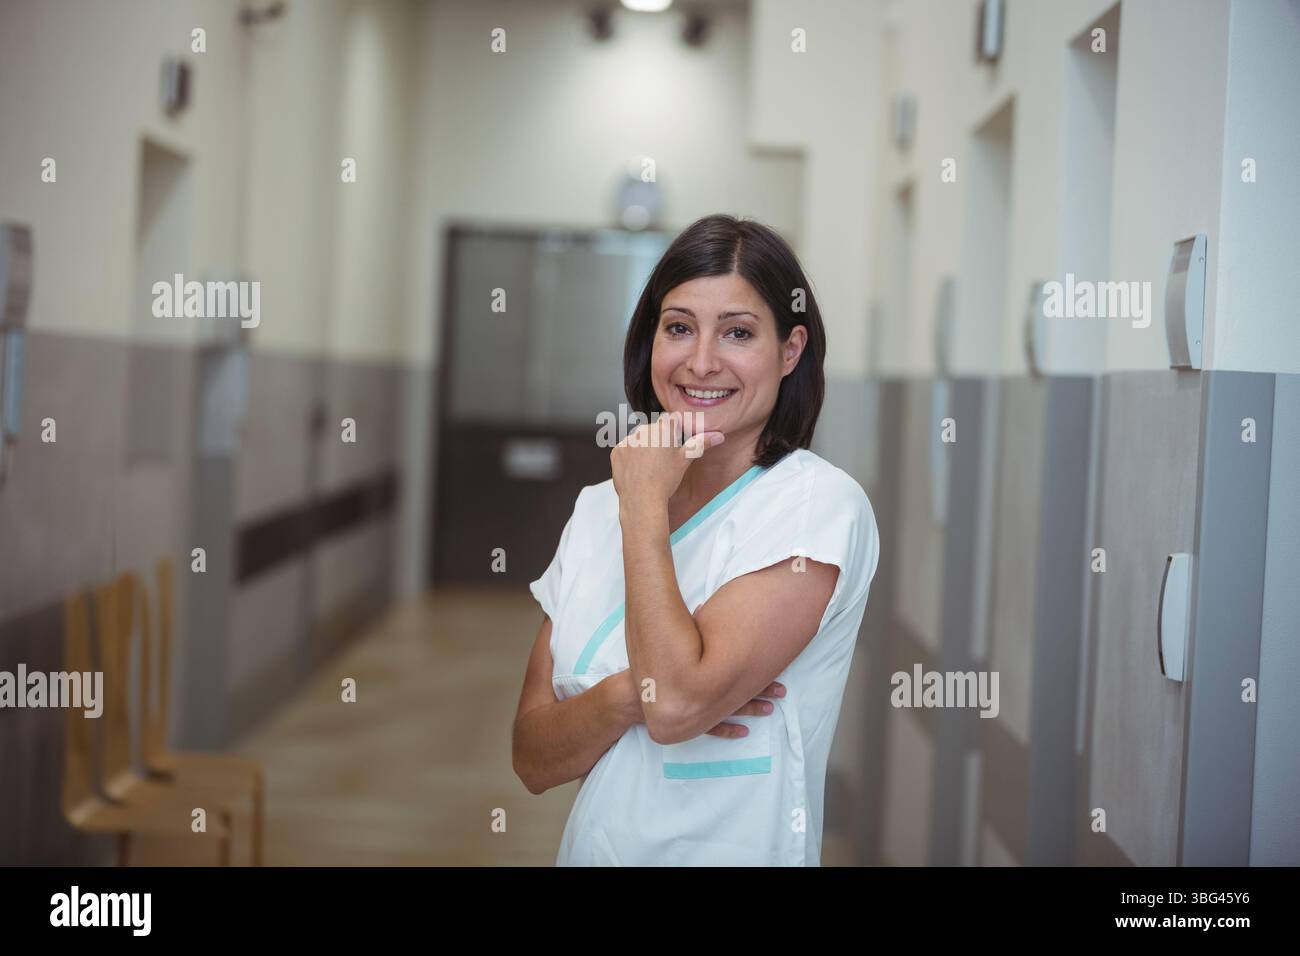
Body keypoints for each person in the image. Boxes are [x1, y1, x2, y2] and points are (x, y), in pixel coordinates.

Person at [512, 213, 880, 865]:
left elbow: (677, 705)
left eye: (738, 332)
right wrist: (629, 694)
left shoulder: (816, 509)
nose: (701, 362)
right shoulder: (599, 509)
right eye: (679, 327)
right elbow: (534, 758)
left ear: (790, 350)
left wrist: (645, 510)